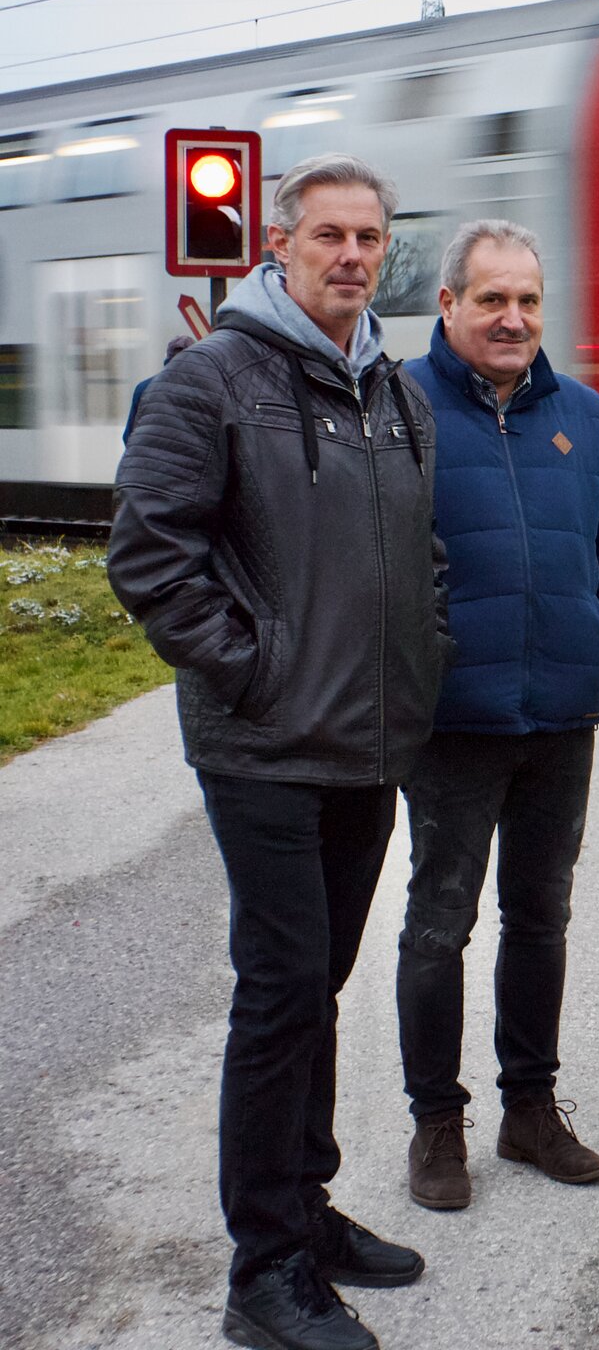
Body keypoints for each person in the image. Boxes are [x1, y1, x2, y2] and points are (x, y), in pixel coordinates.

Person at [109, 153, 445, 1350]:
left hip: (368, 742)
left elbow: (418, 556)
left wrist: (424, 660)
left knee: (318, 988)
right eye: (329, 236)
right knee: (281, 991)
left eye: (369, 238)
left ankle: (306, 1207)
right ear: (279, 243)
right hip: (263, 744)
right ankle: (265, 1270)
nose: (352, 256)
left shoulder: (392, 393)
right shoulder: (212, 381)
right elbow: (150, 557)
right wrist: (252, 667)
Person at [395, 220, 599, 1211]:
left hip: (558, 713)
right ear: (449, 305)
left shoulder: (581, 415)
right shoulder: (403, 408)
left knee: (539, 916)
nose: (513, 319)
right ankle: (435, 1122)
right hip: (451, 723)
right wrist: (425, 657)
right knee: (438, 924)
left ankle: (528, 1109)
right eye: (492, 299)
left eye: (529, 301)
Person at [122, 332, 196, 444]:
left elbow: (128, 436)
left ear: (167, 358)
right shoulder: (203, 389)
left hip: (149, 458)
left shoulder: (143, 387)